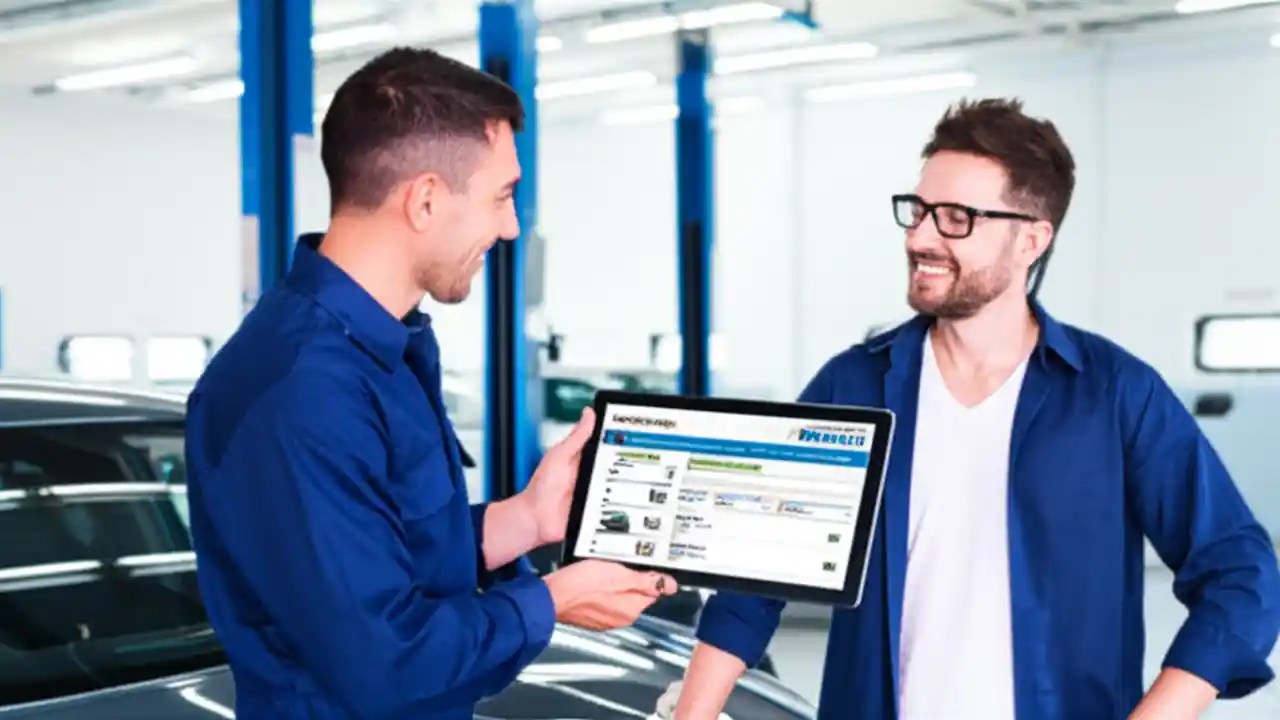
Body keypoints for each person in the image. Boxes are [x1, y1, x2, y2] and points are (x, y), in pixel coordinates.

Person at [673, 98, 1280, 719]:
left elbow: (1240, 573)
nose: (921, 236)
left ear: (1031, 240)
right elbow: (756, 580)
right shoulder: (852, 385)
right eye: (919, 211)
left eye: (957, 217)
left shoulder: (1116, 395)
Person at [184, 47, 676, 719]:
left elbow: (393, 554)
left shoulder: (381, 348)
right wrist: (555, 599)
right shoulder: (299, 390)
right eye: (502, 196)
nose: (509, 226)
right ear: (424, 200)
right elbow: (386, 661)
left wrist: (526, 520)